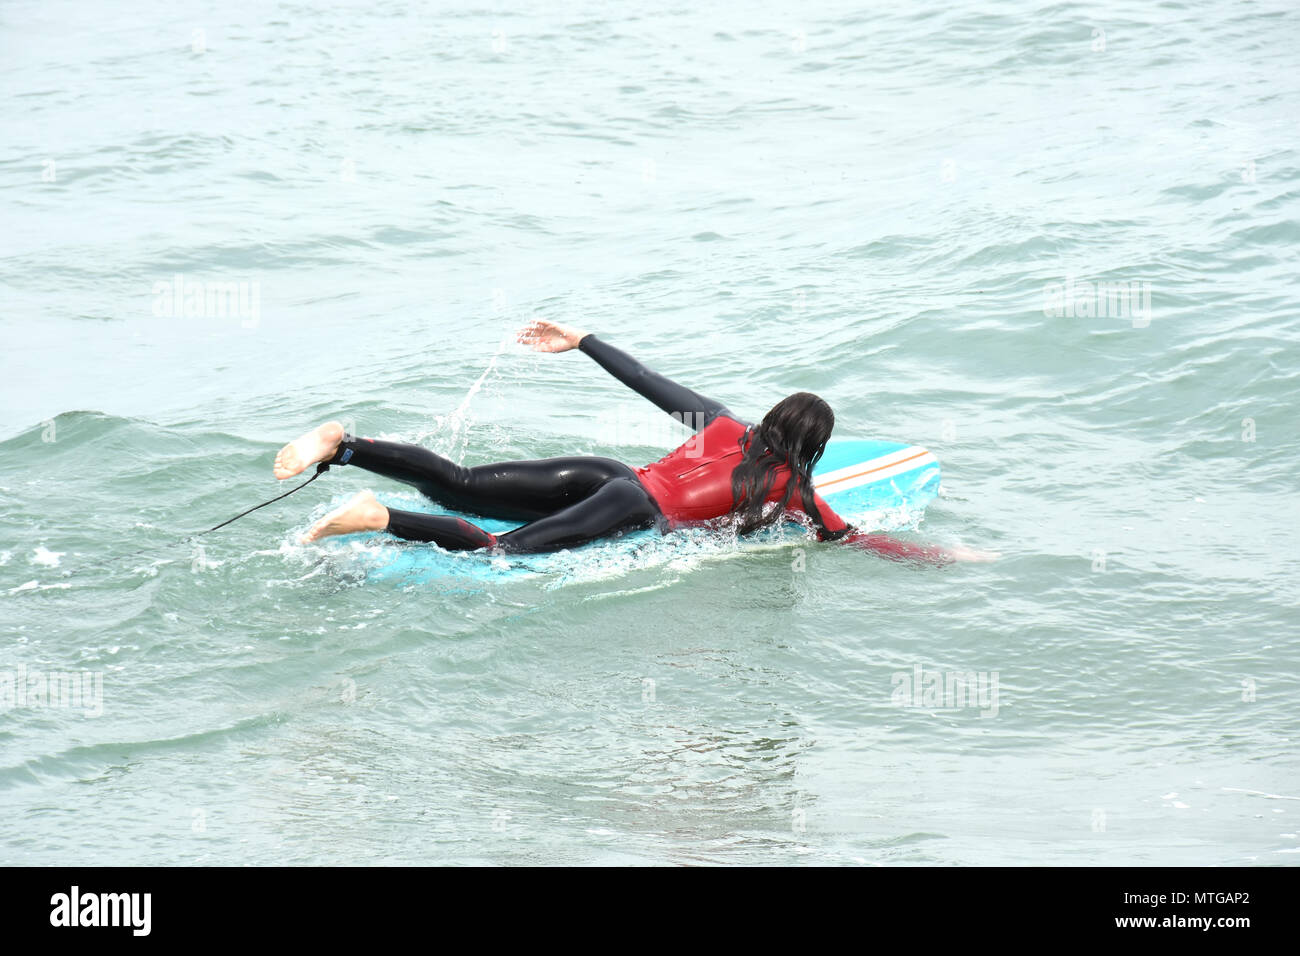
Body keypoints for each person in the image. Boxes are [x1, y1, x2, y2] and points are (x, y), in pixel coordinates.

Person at [273, 320, 995, 563]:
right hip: (633, 508)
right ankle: (381, 518)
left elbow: (646, 381)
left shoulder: (720, 423)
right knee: (500, 553)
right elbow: (849, 539)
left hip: (604, 474)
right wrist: (941, 557)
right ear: (812, 447)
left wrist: (582, 338)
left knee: (459, 482)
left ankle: (345, 444)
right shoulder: (792, 488)